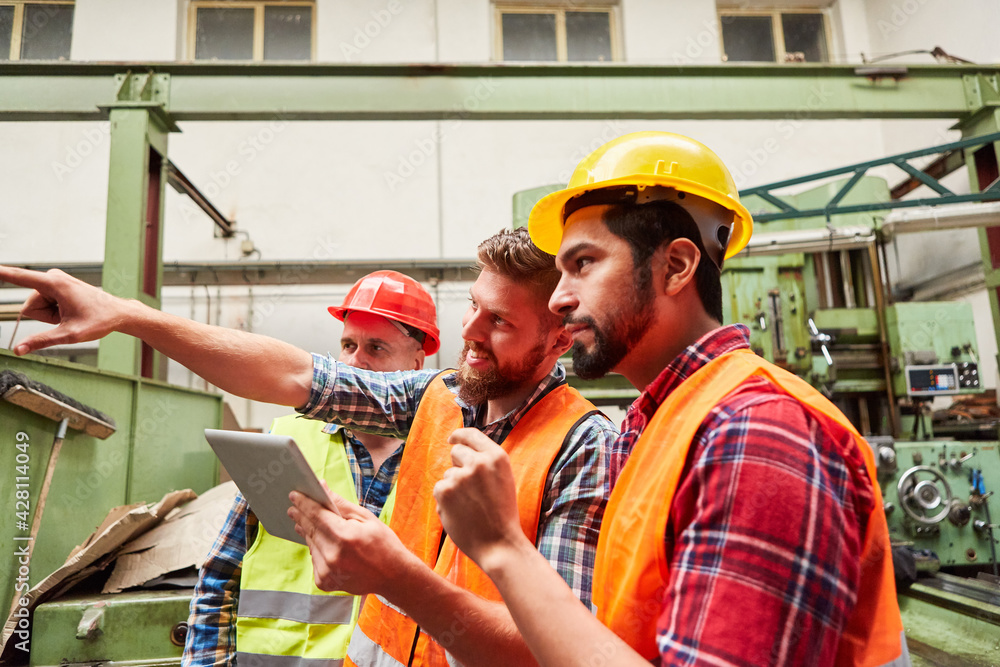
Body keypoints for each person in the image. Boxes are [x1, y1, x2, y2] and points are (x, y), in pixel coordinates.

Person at [0, 227, 617, 667]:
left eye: (500, 322)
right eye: (472, 308)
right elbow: (297, 376)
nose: (472, 334)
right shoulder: (439, 395)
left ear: (561, 340)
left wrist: (394, 576)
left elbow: (557, 651)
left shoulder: (581, 446)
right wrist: (128, 315)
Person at [432, 132, 910, 666]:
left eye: (584, 263)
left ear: (677, 267)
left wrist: (503, 548)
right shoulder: (657, 425)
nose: (559, 299)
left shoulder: (757, 430)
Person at [184, 270, 440, 667]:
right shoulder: (285, 446)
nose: (356, 361)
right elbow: (220, 578)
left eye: (376, 348)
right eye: (348, 345)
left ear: (419, 363)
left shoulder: (442, 459)